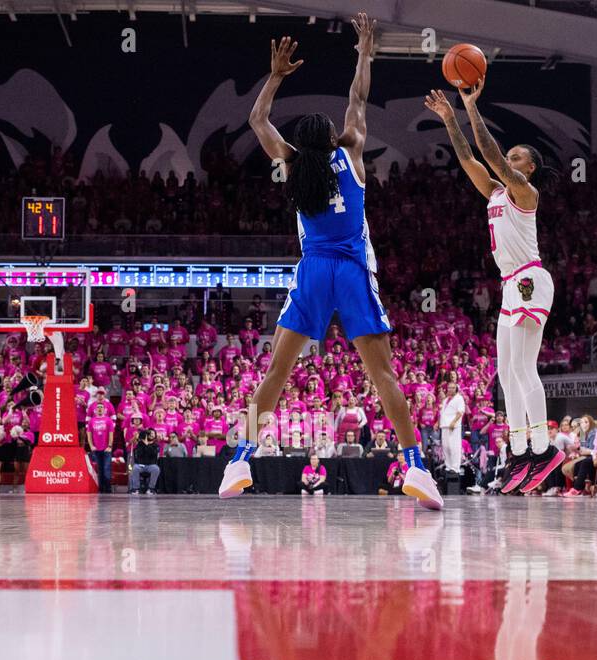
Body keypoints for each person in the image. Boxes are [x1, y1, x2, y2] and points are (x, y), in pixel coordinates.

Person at [219, 15, 442, 509]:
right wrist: (365, 50)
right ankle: (417, 468)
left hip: (314, 269)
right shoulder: (355, 151)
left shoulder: (295, 164)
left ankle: (239, 460)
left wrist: (276, 76)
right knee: (383, 376)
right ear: (335, 140)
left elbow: (257, 121)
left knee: (275, 373)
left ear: (301, 145)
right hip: (352, 271)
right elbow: (358, 99)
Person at [425, 80, 564, 494]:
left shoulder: (525, 190)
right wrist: (451, 120)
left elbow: (487, 151)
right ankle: (520, 452)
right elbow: (470, 158)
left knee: (523, 368)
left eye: (516, 156)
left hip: (529, 278)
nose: (508, 158)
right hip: (510, 284)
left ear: (530, 167)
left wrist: (470, 107)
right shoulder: (495, 191)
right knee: (505, 374)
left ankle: (544, 449)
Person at [440, 381, 466, 473]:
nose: (450, 389)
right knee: (445, 446)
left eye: (452, 388)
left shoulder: (459, 398)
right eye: (449, 387)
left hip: (453, 425)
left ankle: (455, 467)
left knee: (454, 446)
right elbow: (443, 413)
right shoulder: (445, 400)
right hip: (444, 425)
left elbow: (460, 412)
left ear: (456, 389)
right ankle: (448, 466)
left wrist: (454, 422)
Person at [129, 428, 160, 494]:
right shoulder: (140, 444)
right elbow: (139, 454)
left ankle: (151, 488)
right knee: (135, 468)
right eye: (149, 434)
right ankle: (136, 488)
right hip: (140, 465)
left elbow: (153, 454)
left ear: (155, 435)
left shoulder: (156, 445)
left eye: (152, 433)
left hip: (151, 465)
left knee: (156, 469)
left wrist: (147, 444)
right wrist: (142, 442)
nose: (150, 435)